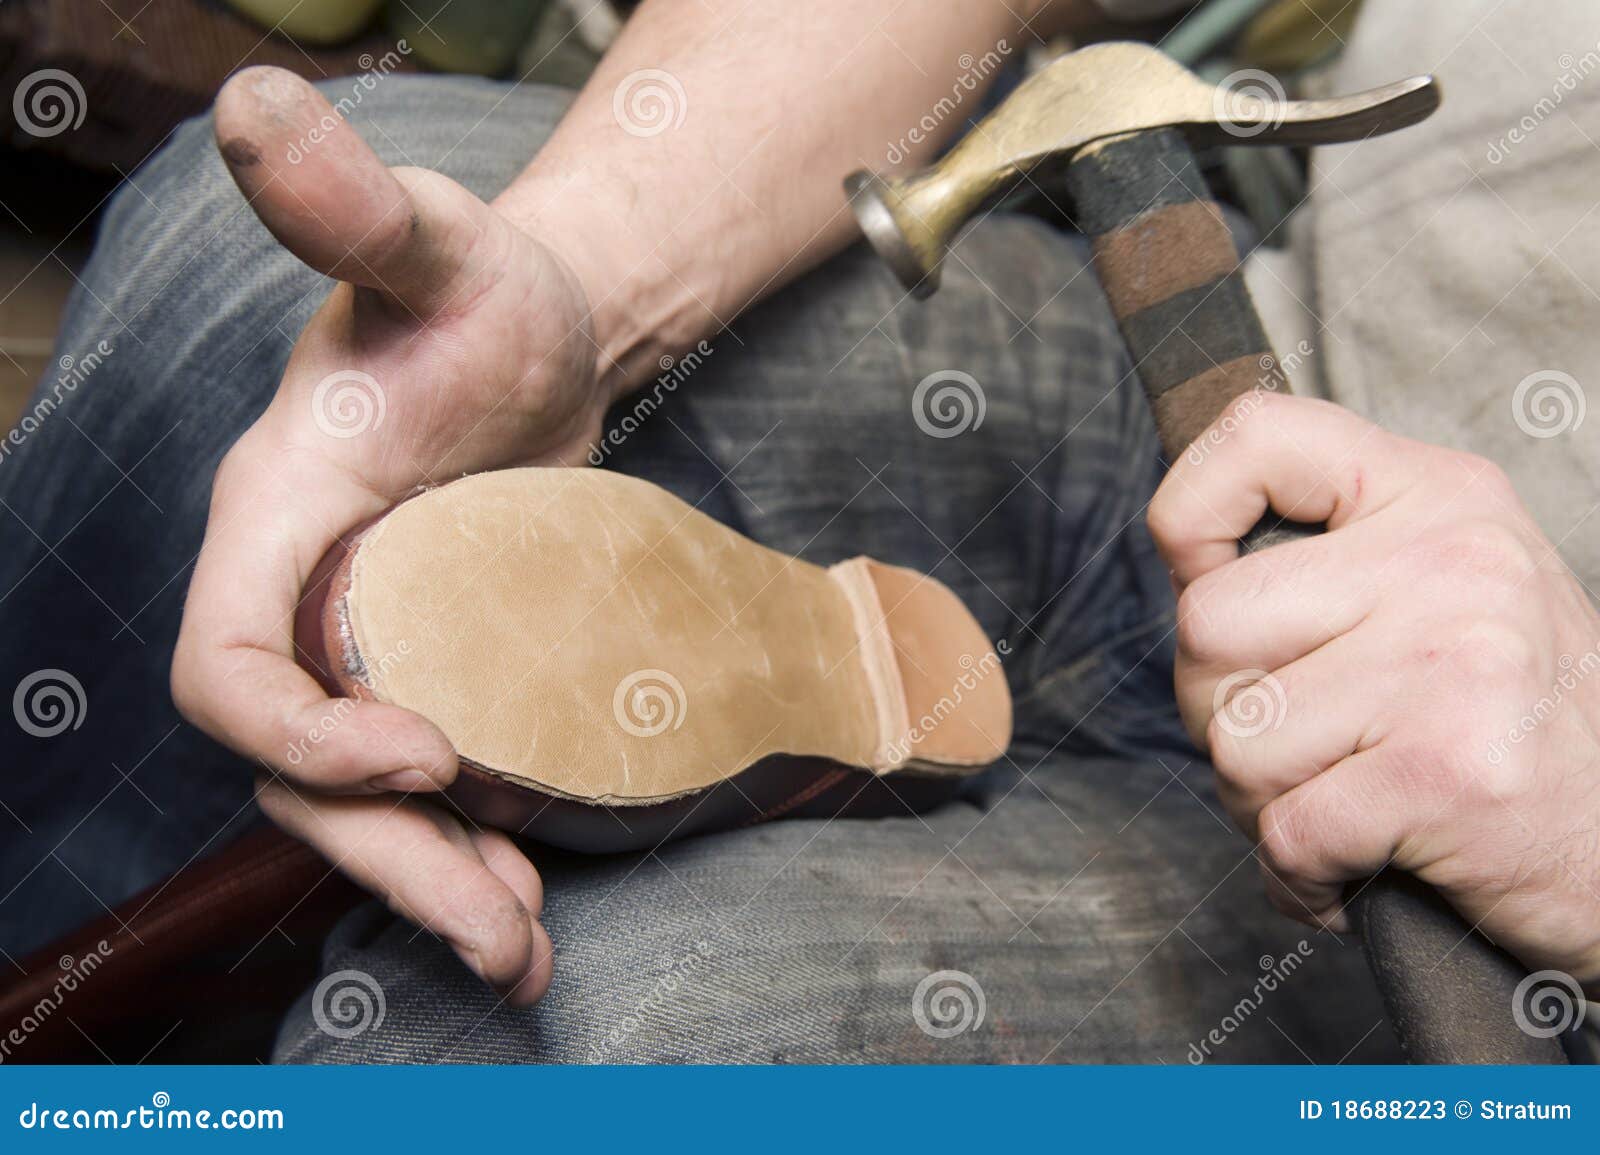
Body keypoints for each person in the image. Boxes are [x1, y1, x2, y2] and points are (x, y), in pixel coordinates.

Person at [1, 0, 1594, 1063]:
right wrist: (593, 286)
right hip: (1217, 357)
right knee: (239, 301)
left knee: (514, 1059)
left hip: (1466, 915)